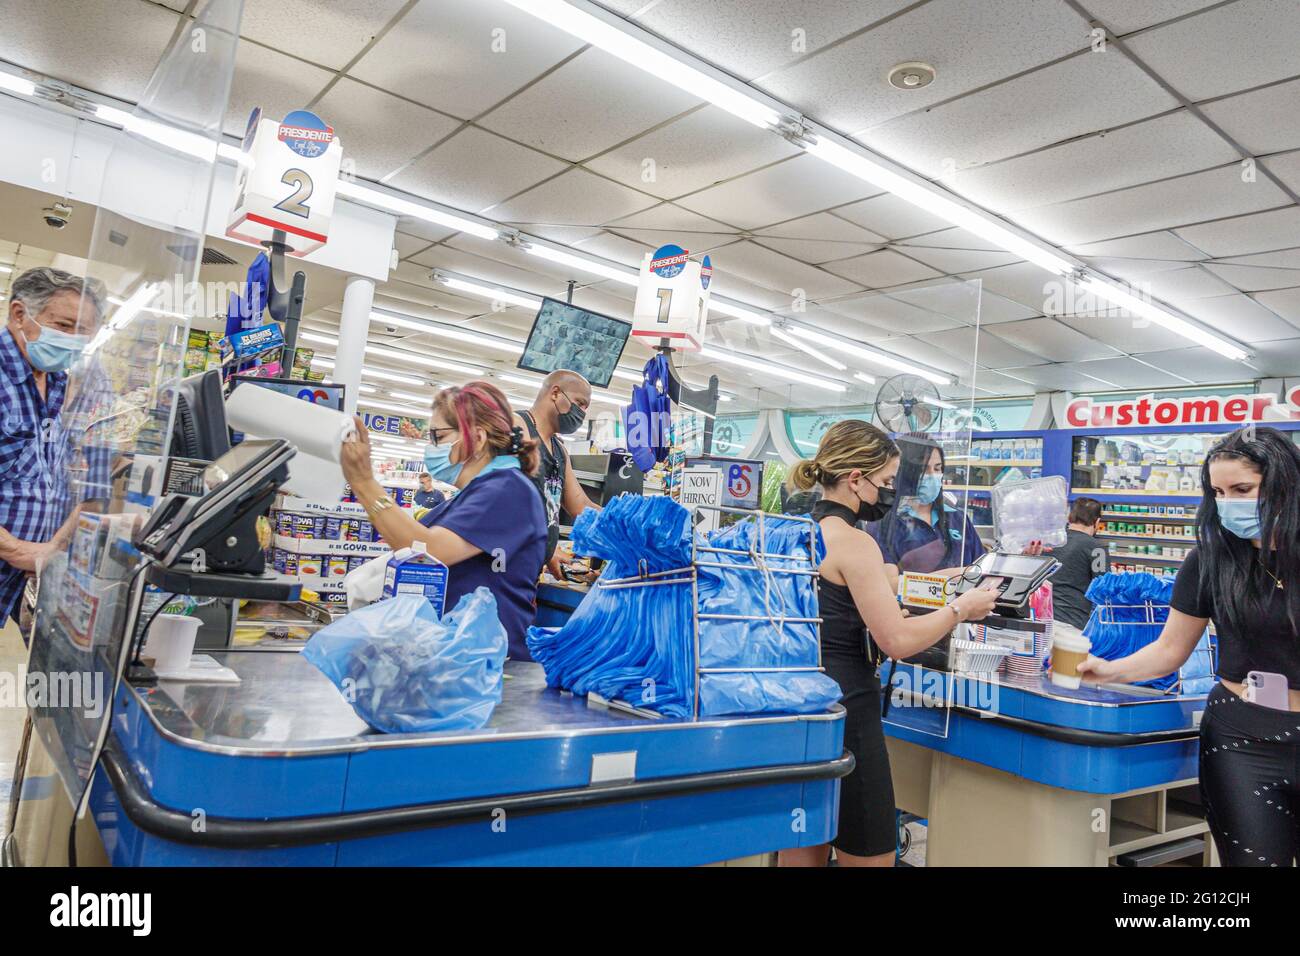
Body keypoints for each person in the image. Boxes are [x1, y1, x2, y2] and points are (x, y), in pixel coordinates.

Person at [777, 420, 1000, 868]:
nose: (888, 492)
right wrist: (962, 609)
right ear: (855, 479)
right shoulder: (856, 543)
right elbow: (896, 641)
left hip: (800, 700)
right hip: (849, 707)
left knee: (805, 841)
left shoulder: (795, 531)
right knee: (872, 853)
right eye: (884, 482)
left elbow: (841, 606)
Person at [1077, 427, 1300, 867]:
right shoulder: (1210, 560)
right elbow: (1169, 650)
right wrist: (1108, 670)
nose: (1230, 502)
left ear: (1284, 484)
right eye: (1218, 491)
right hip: (1241, 739)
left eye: (1243, 488)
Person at [340, 381, 547, 661]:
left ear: (478, 437)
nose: (431, 447)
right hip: (458, 656)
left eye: (438, 436)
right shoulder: (474, 495)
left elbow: (426, 551)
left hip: (485, 665)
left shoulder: (507, 490)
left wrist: (364, 482)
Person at [0, 267, 103, 626]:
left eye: (84, 333)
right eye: (63, 326)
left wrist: (54, 546)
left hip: (15, 579)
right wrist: (18, 551)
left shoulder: (55, 380)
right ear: (19, 314)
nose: (73, 340)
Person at [512, 369, 599, 574]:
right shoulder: (516, 427)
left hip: (529, 573)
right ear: (555, 393)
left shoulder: (559, 450)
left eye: (585, 408)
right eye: (579, 403)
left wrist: (630, 519)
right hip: (500, 565)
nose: (581, 414)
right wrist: (544, 548)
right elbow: (500, 502)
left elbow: (580, 506)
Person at [867, 437, 986, 578]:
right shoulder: (884, 522)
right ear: (903, 472)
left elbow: (981, 569)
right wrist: (949, 577)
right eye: (923, 470)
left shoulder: (958, 518)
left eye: (937, 468)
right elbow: (888, 584)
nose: (932, 476)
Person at [1046, 497, 1109, 630]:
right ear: (1097, 522)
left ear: (1070, 517)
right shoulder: (1096, 549)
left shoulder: (1050, 542)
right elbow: (1104, 588)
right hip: (1072, 621)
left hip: (1041, 617)